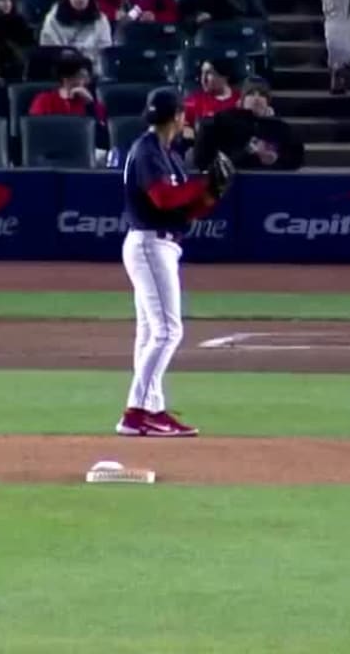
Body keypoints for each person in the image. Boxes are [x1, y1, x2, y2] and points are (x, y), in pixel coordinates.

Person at [115, 86, 235, 438]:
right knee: (168, 331)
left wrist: (211, 194)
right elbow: (164, 199)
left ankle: (152, 410)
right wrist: (202, 185)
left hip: (160, 244)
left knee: (151, 333)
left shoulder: (167, 153)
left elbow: (185, 210)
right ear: (179, 117)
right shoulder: (148, 150)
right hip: (150, 245)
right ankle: (135, 413)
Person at [191, 83, 304, 172]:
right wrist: (247, 152)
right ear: (241, 100)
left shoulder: (280, 128)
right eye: (251, 94)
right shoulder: (224, 121)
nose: (256, 98)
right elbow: (204, 160)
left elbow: (295, 160)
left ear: (268, 102)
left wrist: (276, 159)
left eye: (262, 95)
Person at [40, 0, 114, 67]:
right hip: (61, 67)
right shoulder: (52, 19)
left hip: (92, 66)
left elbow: (105, 48)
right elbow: (48, 48)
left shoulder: (100, 20)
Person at [30, 50, 105, 121]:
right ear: (66, 79)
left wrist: (90, 105)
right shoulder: (44, 101)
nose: (87, 81)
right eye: (82, 76)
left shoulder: (92, 103)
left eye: (88, 77)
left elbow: (100, 130)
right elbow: (36, 130)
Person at [182, 57, 241, 125]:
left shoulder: (241, 100)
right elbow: (185, 129)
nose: (203, 79)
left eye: (209, 73)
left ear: (224, 75)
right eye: (202, 73)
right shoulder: (193, 101)